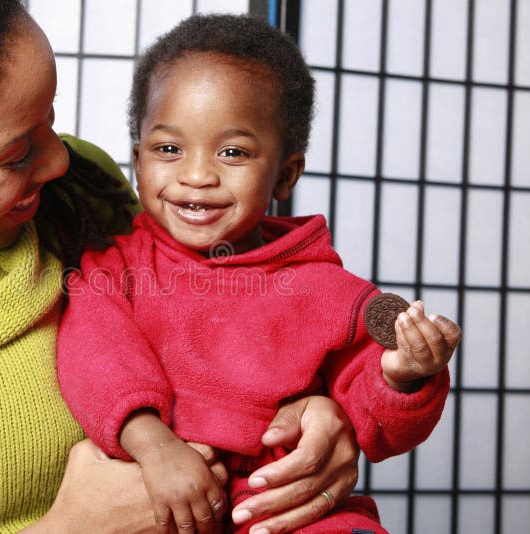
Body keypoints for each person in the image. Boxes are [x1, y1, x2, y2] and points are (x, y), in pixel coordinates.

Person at [0, 2, 364, 532]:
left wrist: (323, 414)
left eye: (51, 119)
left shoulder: (80, 197)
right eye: (17, 153)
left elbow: (219, 321)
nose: (57, 161)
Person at [56, 13, 463, 534]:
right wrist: (153, 446)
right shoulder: (113, 272)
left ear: (286, 174)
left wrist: (404, 374)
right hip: (154, 497)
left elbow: (377, 422)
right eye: (168, 149)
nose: (197, 175)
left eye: (233, 152)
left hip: (283, 505)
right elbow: (97, 359)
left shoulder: (323, 288)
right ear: (137, 160)